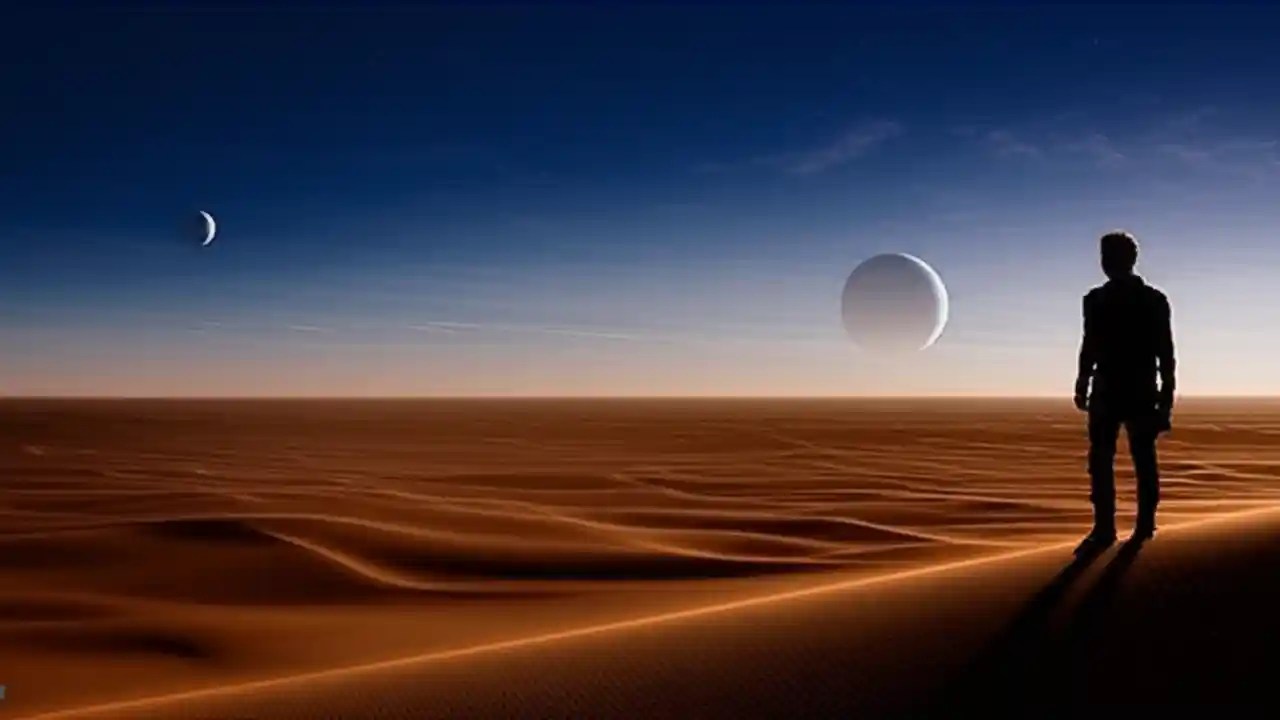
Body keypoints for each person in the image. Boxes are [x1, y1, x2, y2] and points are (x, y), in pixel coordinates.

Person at [1073, 230, 1176, 553]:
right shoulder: (1097, 299)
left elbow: (1165, 352)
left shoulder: (1151, 299)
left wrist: (1166, 402)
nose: (1106, 262)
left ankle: (1135, 526)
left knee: (1132, 459)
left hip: (1131, 390)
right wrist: (1082, 381)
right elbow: (1089, 343)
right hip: (1118, 390)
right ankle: (1111, 527)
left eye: (1110, 256)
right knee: (1108, 460)